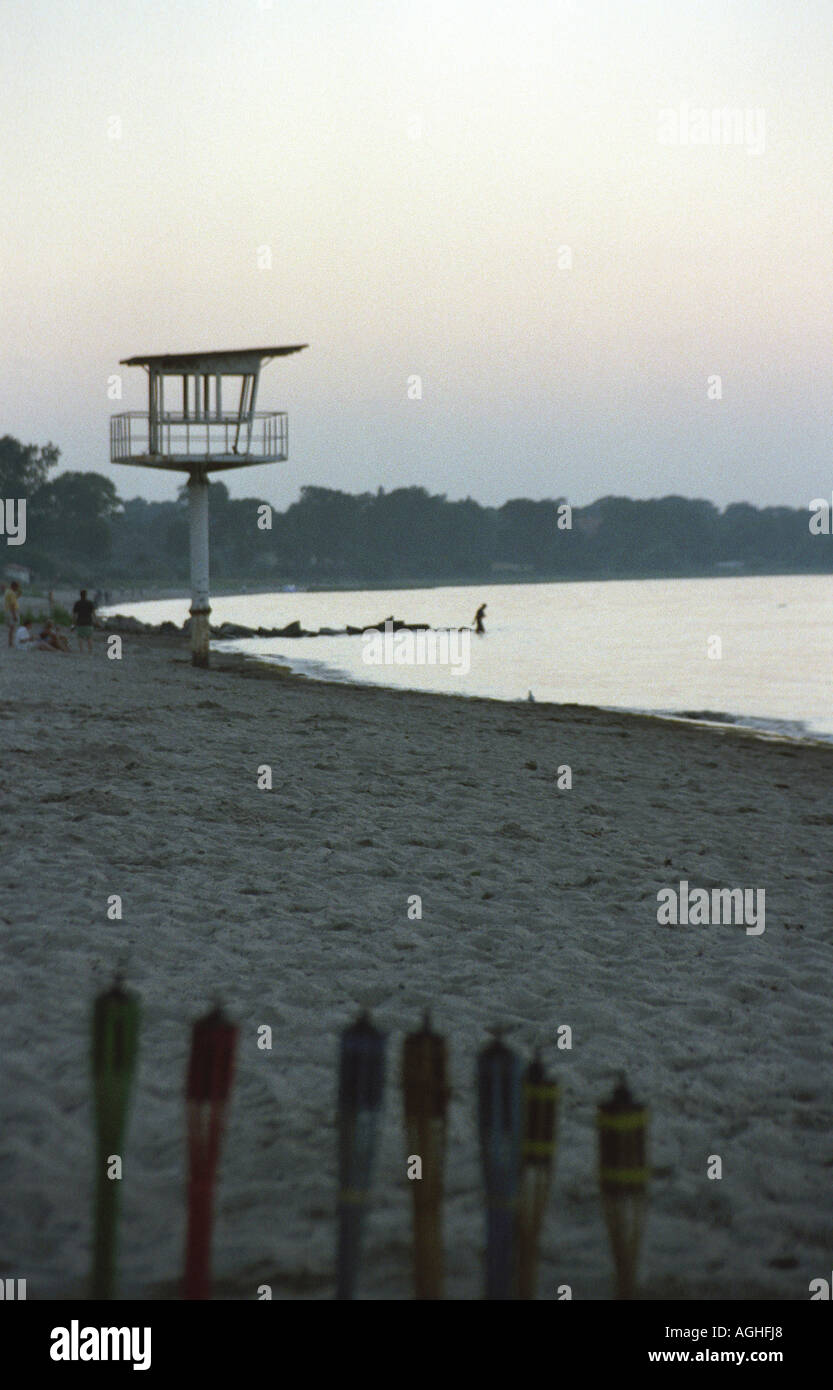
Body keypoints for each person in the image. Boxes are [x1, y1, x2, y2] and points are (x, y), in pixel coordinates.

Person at [72, 588, 96, 653]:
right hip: (88, 622)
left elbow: (74, 614)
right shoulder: (90, 603)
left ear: (80, 595)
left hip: (80, 622)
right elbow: (93, 613)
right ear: (86, 595)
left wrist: (73, 623)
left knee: (80, 637)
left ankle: (81, 650)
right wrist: (95, 621)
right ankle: (90, 650)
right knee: (89, 637)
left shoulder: (77, 603)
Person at [4, 580, 21, 647]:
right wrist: (14, 615)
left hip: (8, 610)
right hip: (12, 611)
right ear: (14, 586)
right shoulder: (12, 593)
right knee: (13, 627)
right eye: (17, 587)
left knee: (11, 627)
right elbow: (12, 604)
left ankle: (10, 642)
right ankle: (11, 643)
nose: (17, 589)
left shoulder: (7, 591)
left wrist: (18, 596)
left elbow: (13, 599)